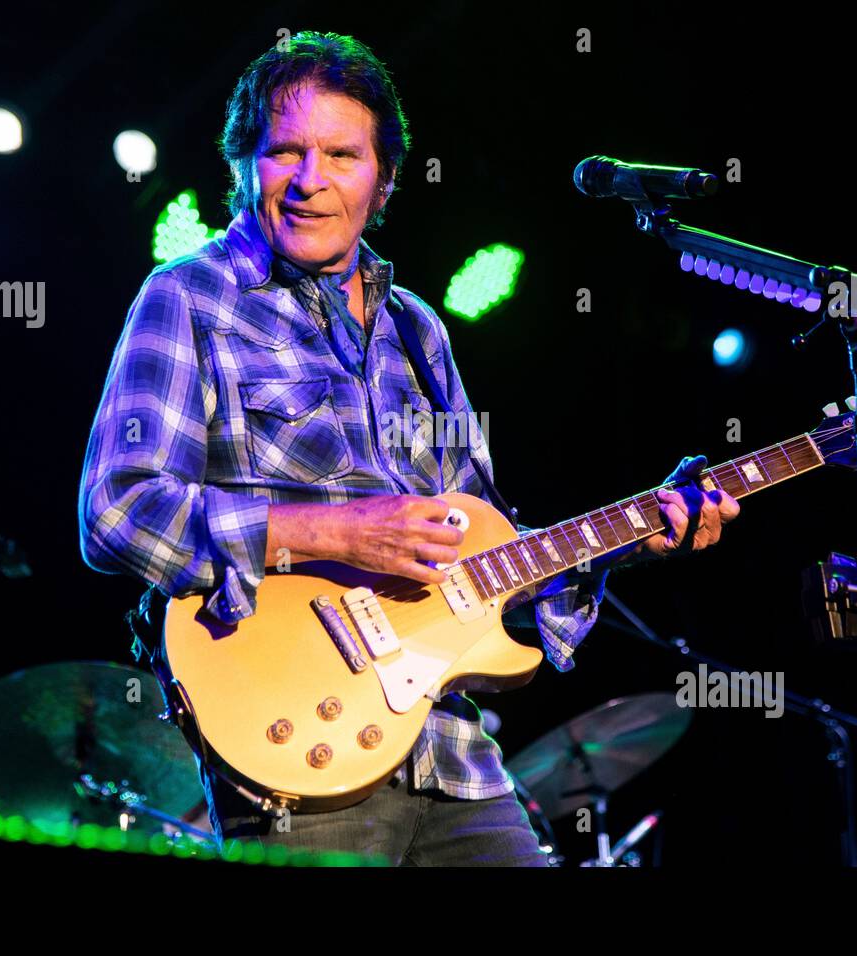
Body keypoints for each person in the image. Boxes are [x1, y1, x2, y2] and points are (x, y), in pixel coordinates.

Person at [78, 30, 738, 866]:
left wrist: (627, 546)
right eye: (284, 150)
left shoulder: (418, 330)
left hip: (454, 753)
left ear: (384, 181)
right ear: (243, 165)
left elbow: (486, 556)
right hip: (297, 756)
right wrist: (335, 532)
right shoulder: (190, 297)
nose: (310, 180)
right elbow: (117, 513)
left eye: (342, 156)